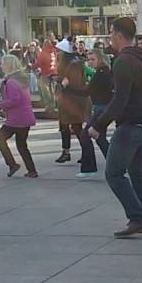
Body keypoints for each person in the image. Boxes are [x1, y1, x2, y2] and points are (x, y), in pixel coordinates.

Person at [88, 17, 142, 237]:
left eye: (111, 33)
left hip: (132, 123)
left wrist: (98, 124)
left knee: (114, 173)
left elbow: (120, 100)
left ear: (119, 35)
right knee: (138, 173)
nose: (109, 37)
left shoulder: (123, 61)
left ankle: (138, 218)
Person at [54, 39, 98, 179]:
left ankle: (86, 156)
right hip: (72, 100)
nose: (58, 53)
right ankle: (78, 154)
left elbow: (71, 83)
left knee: (78, 129)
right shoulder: (74, 63)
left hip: (73, 101)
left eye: (60, 51)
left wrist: (61, 82)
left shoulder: (73, 64)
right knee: (74, 128)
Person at [0, 54, 38, 178]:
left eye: (3, 64)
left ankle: (12, 164)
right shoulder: (21, 79)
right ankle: (32, 170)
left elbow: (15, 100)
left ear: (8, 66)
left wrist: (1, 104)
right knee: (22, 145)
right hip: (26, 116)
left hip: (16, 118)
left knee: (0, 139)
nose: (1, 66)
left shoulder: (11, 82)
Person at [86, 48, 114, 156]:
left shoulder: (103, 72)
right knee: (99, 138)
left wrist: (69, 88)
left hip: (102, 107)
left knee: (86, 135)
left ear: (100, 59)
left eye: (93, 59)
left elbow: (88, 90)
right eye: (89, 59)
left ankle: (90, 164)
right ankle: (113, 161)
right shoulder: (100, 71)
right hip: (100, 106)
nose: (90, 62)